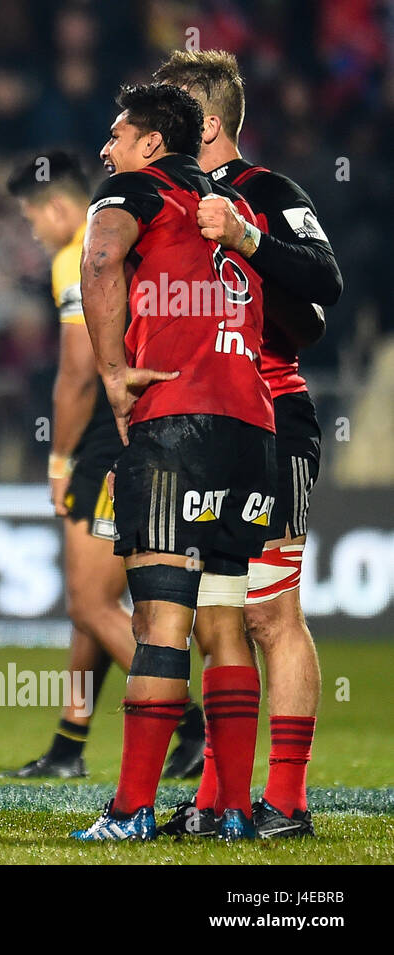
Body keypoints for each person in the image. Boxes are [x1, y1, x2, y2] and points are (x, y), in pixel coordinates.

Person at [70, 84, 274, 841]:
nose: (106, 149)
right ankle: (231, 809)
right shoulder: (235, 212)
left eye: (117, 134)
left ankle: (130, 810)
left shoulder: (134, 188)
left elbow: (99, 257)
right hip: (250, 425)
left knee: (160, 621)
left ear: (153, 143)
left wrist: (113, 371)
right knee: (226, 623)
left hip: (176, 420)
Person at [154, 50, 343, 838]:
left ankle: (288, 801)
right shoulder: (163, 201)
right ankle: (218, 801)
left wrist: (249, 236)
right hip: (197, 424)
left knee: (271, 614)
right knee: (211, 615)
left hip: (273, 419)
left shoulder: (270, 192)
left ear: (203, 124)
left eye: (168, 118)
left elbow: (324, 283)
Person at [4, 152, 205, 779]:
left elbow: (73, 372)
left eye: (32, 217)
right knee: (94, 607)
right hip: (150, 432)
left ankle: (191, 724)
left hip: (101, 446)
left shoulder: (79, 255)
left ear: (59, 208)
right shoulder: (136, 246)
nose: (34, 230)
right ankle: (69, 744)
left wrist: (59, 459)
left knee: (91, 605)